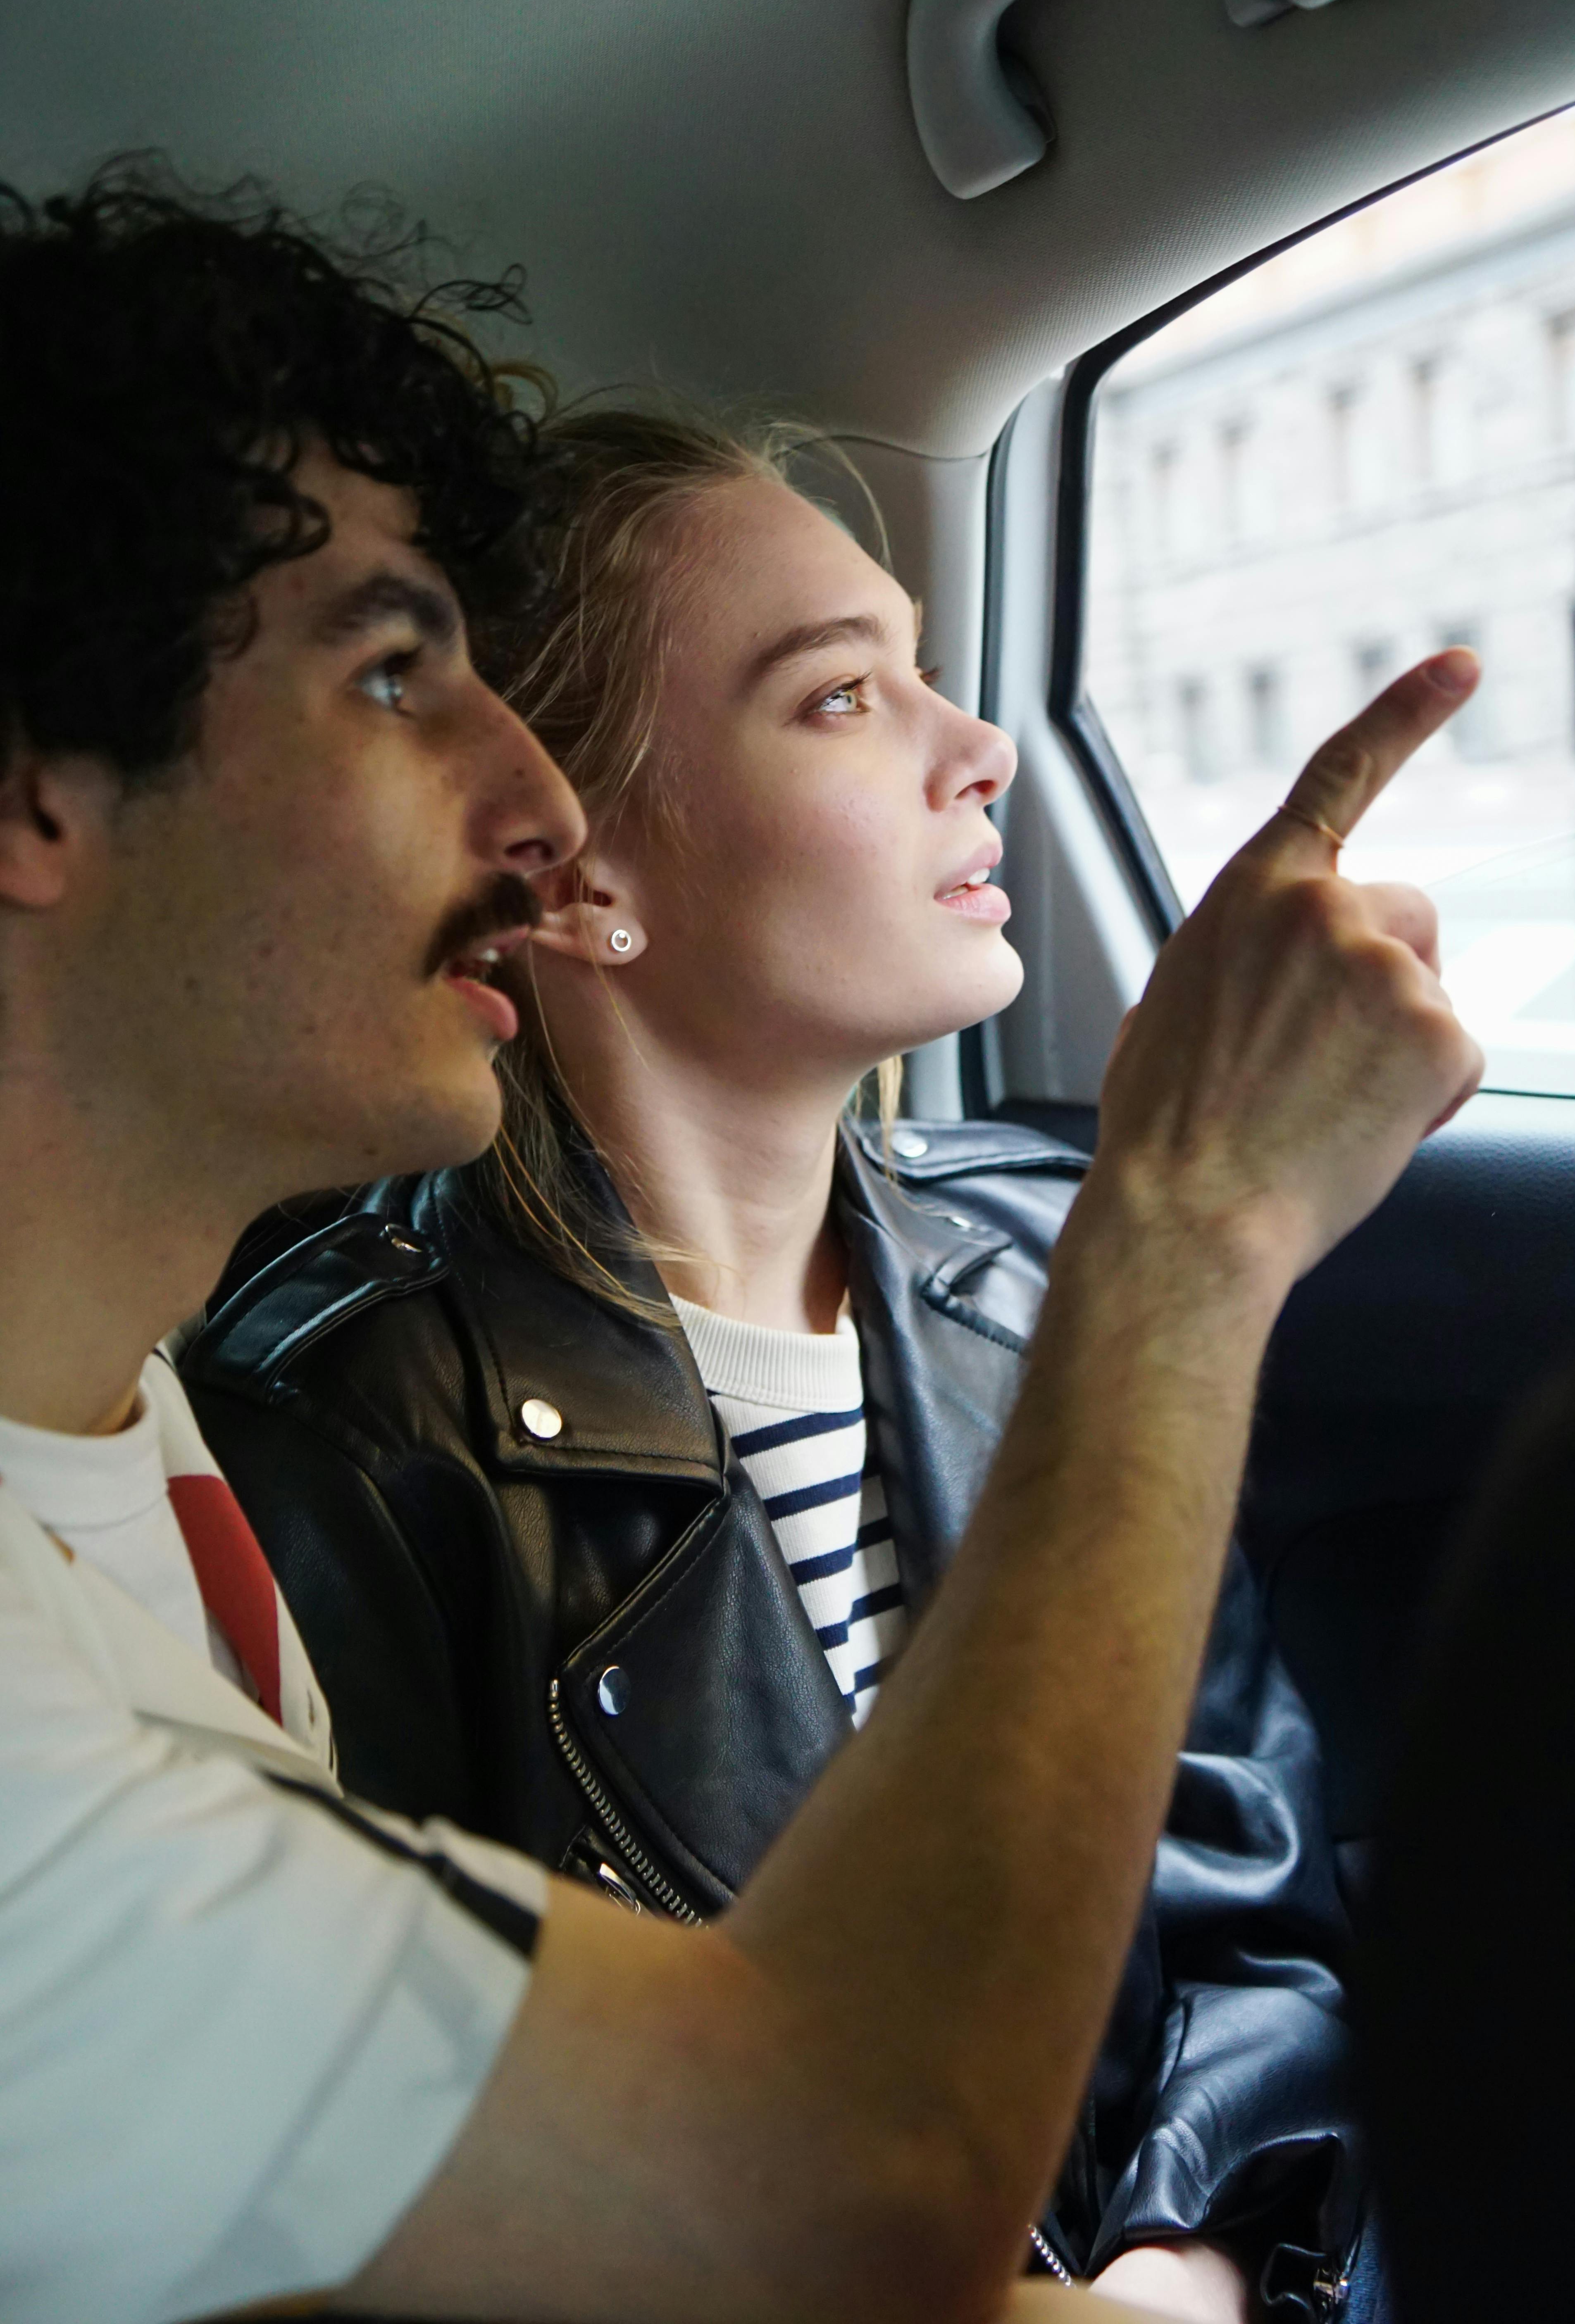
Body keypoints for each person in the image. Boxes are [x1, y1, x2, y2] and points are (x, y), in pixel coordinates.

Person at [0, 166, 1480, 2324]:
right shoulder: (314, 1448)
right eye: (397, 673)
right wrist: (1199, 1225)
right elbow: (824, 2201)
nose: (526, 804)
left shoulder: (136, 1457)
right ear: (36, 795)